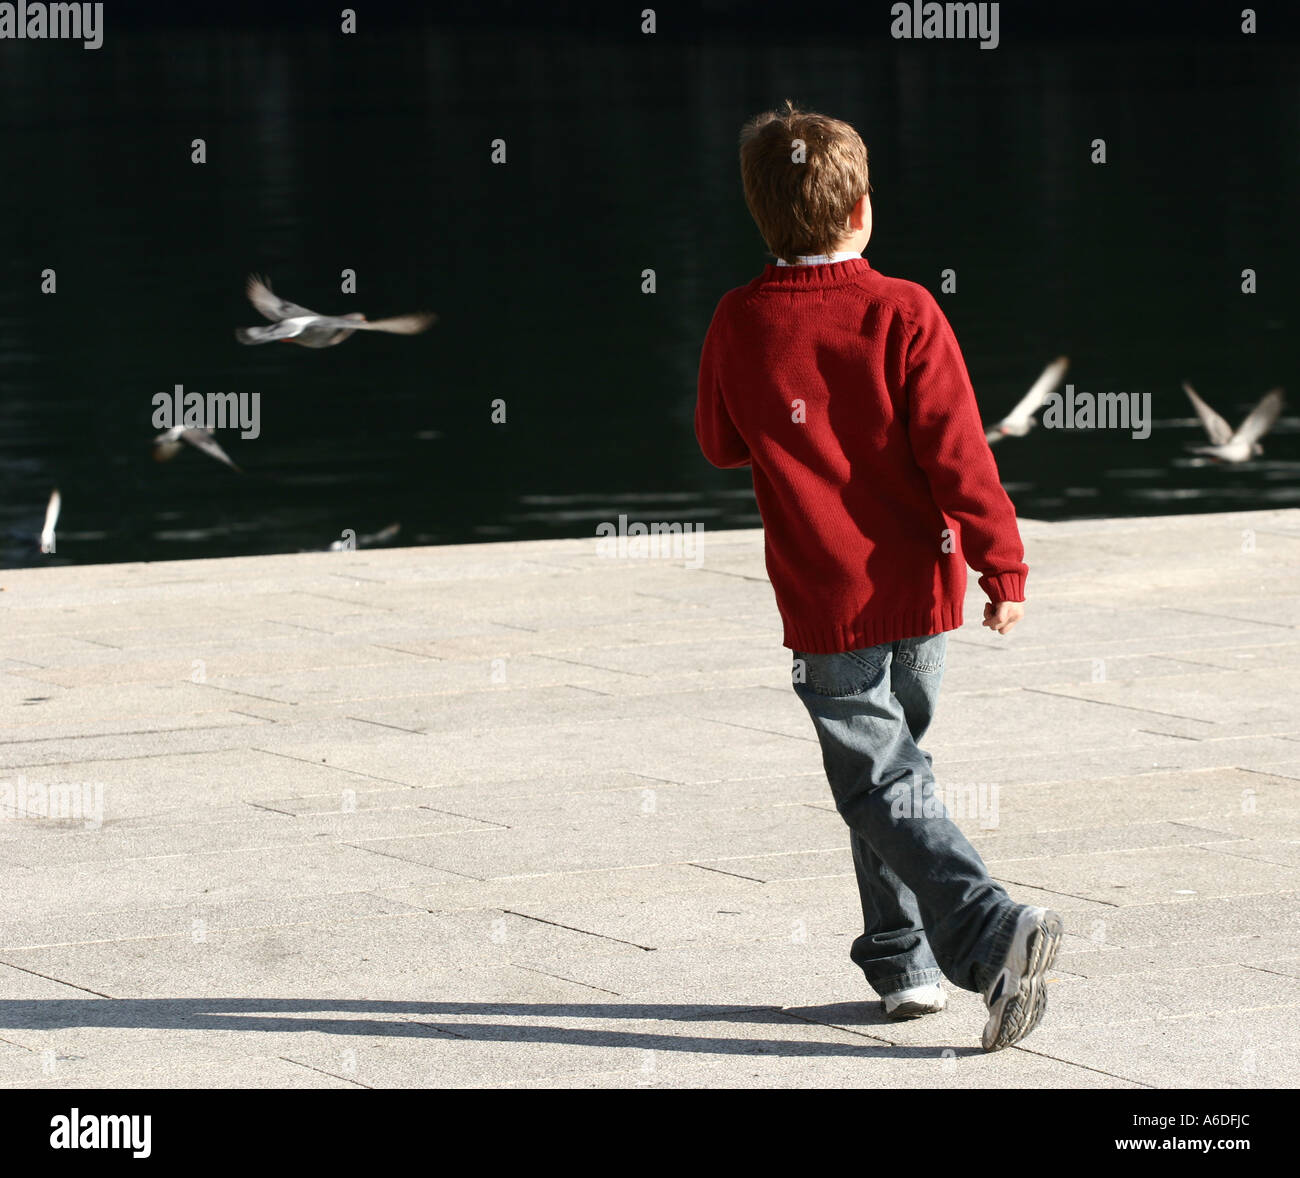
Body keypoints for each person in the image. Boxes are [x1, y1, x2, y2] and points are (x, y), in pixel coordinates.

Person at [694, 101, 1062, 1051]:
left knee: (876, 783)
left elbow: (718, 444)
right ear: (861, 209)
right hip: (925, 591)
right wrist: (1003, 566)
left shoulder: (740, 319)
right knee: (897, 777)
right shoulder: (905, 310)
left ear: (760, 215)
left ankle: (989, 934)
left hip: (828, 601)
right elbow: (959, 457)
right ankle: (902, 962)